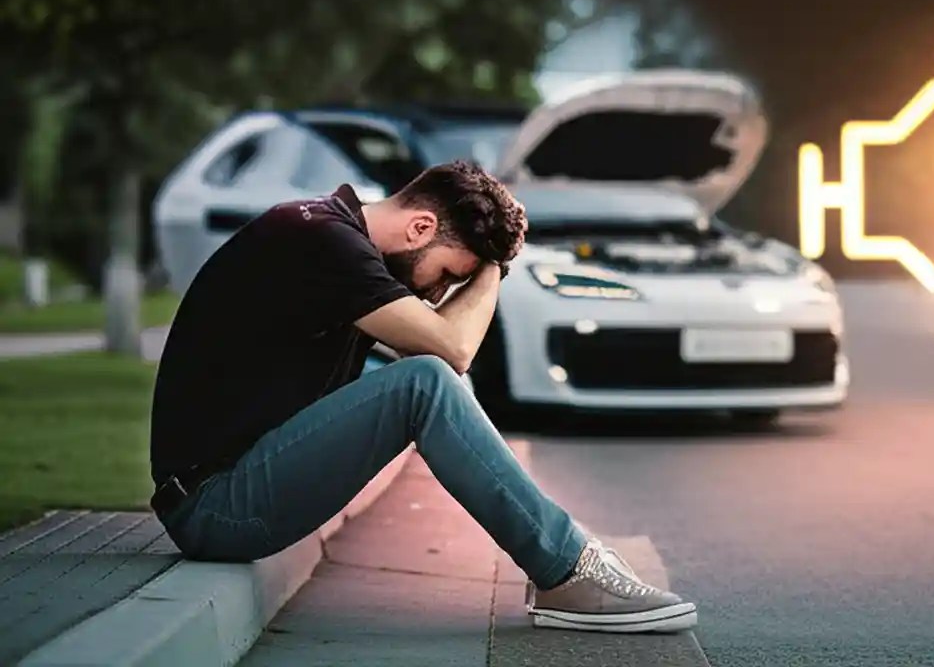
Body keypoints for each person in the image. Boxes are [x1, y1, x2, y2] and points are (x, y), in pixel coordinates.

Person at [148, 160, 696, 633]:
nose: (435, 294)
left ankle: (566, 553)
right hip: (218, 507)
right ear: (421, 226)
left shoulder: (330, 234)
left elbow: (439, 356)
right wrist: (494, 273)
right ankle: (566, 569)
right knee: (426, 381)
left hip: (233, 485)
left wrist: (474, 266)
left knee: (429, 378)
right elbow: (449, 351)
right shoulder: (323, 242)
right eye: (448, 274)